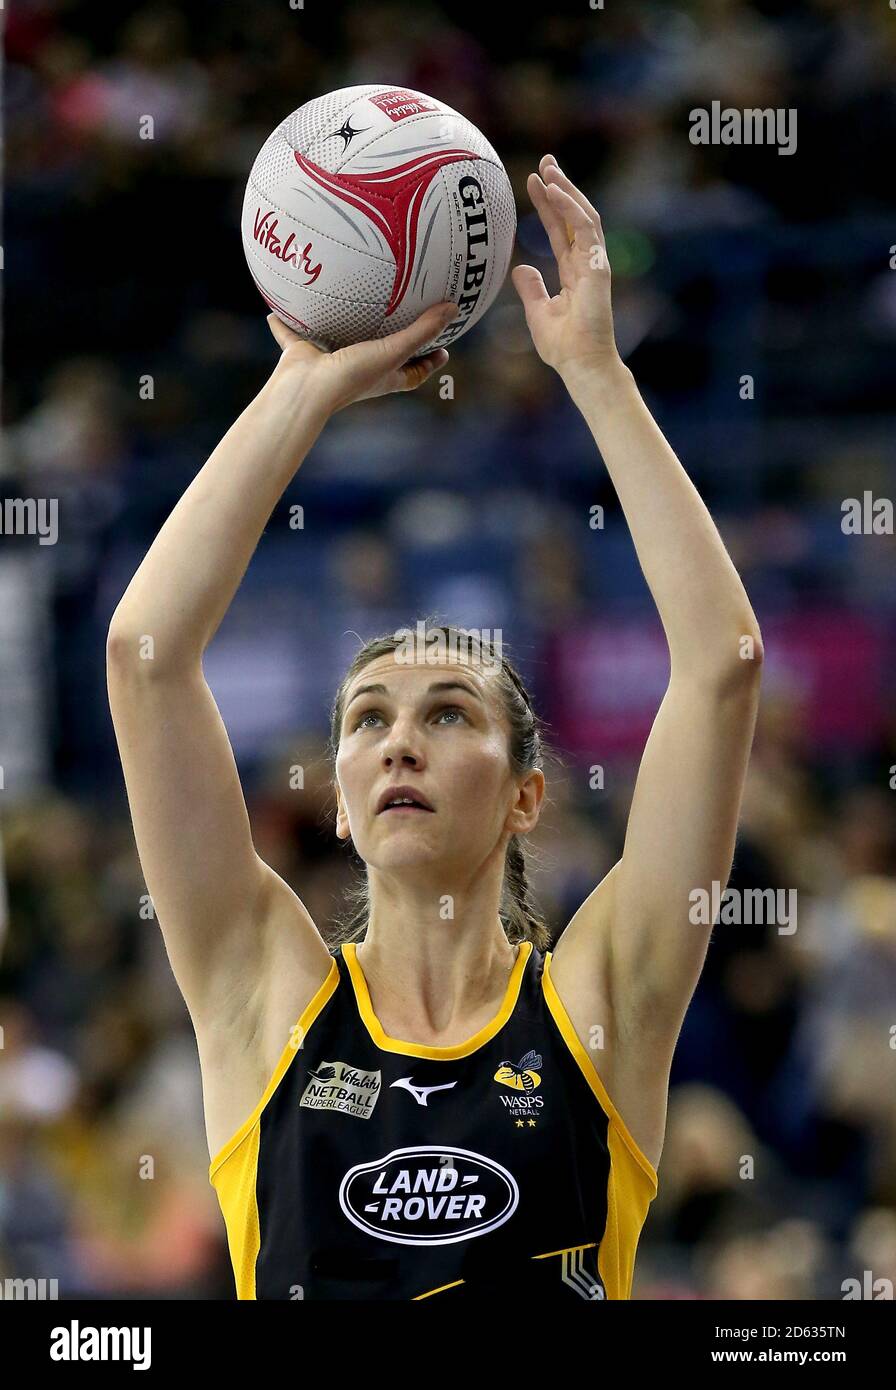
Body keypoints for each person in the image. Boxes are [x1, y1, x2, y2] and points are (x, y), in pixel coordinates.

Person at [106, 155, 763, 1300]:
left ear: (524, 793)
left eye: (447, 712)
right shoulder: (261, 995)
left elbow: (720, 666)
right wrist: (300, 389)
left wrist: (596, 375)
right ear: (344, 796)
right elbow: (145, 658)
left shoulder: (603, 998)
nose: (397, 740)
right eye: (367, 719)